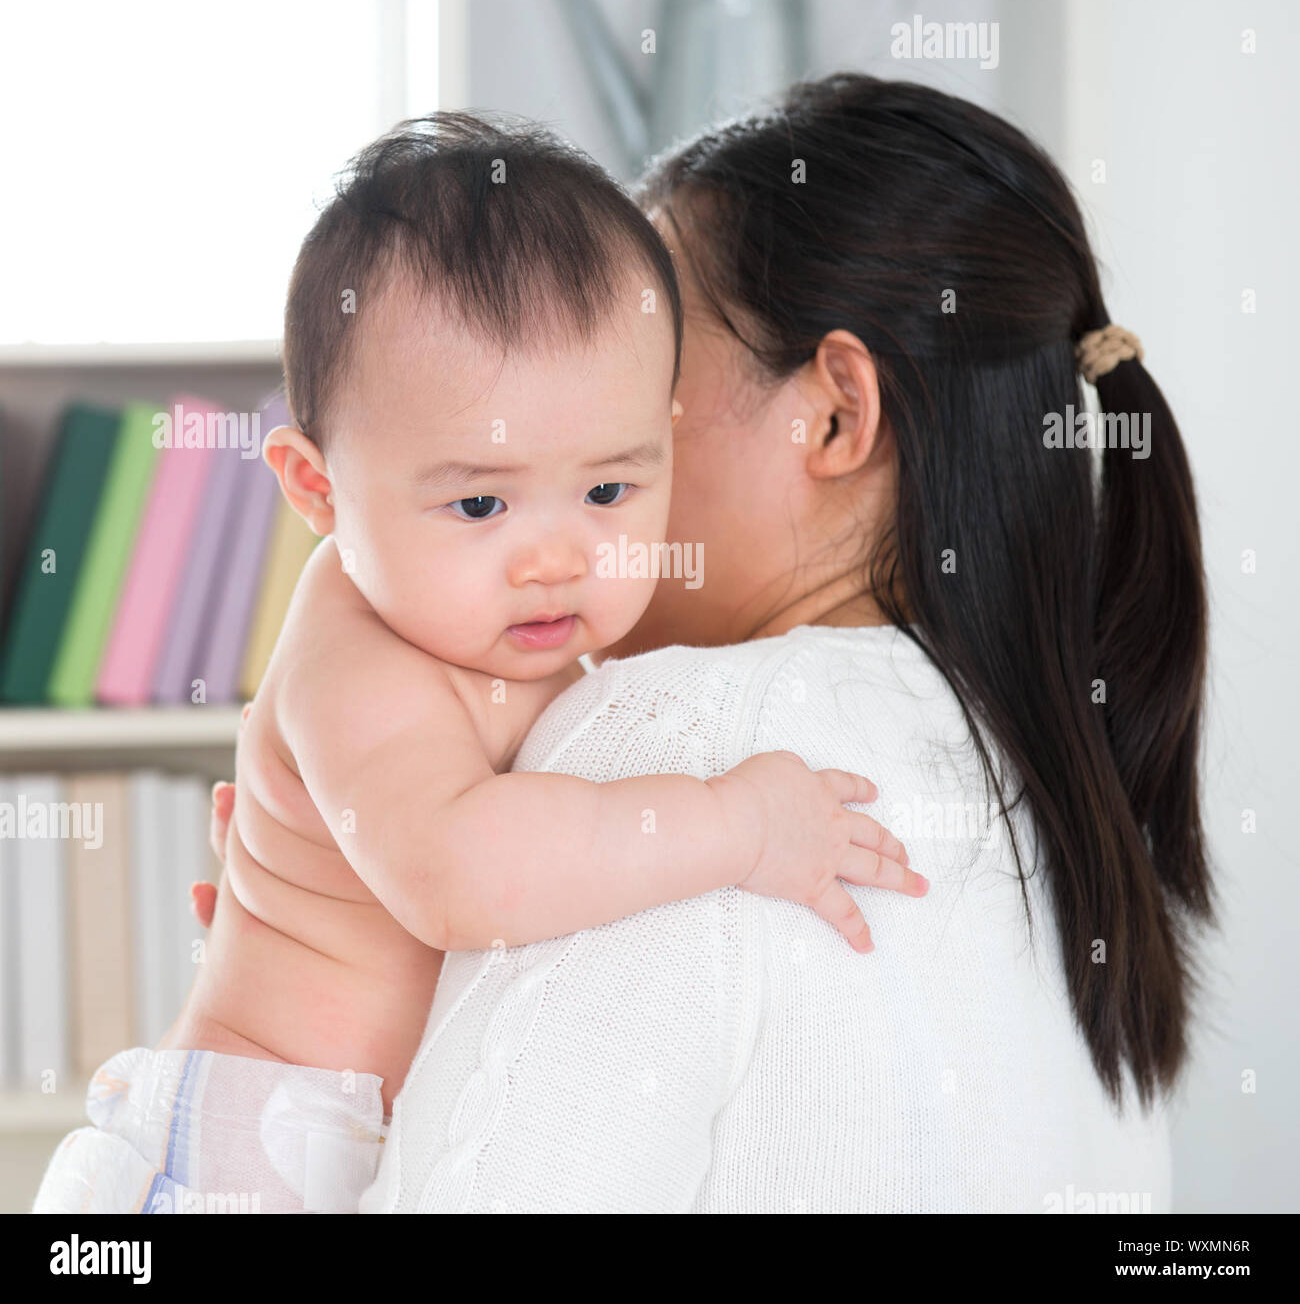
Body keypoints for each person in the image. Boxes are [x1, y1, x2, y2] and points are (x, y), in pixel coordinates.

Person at [31, 112, 925, 1216]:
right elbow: (467, 872)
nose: (556, 558)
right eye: (479, 501)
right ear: (316, 490)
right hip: (251, 1151)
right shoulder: (356, 651)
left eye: (609, 490)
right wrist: (732, 823)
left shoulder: (522, 639)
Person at [348, 74, 1213, 1212]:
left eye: (644, 377)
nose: (579, 443)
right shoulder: (1064, 796)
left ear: (835, 415)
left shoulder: (679, 743)